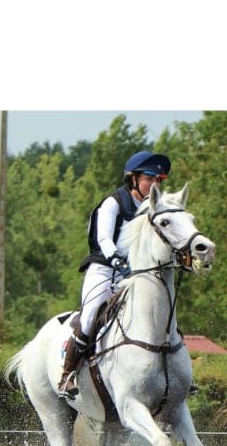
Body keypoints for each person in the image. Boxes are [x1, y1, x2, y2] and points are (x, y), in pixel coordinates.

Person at [57, 150, 171, 397]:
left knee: (162, 311)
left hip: (135, 274)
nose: (154, 185)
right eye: (149, 178)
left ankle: (176, 374)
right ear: (133, 179)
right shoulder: (113, 203)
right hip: (104, 270)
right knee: (89, 316)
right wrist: (117, 260)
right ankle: (68, 375)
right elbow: (103, 238)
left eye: (158, 180)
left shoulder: (155, 210)